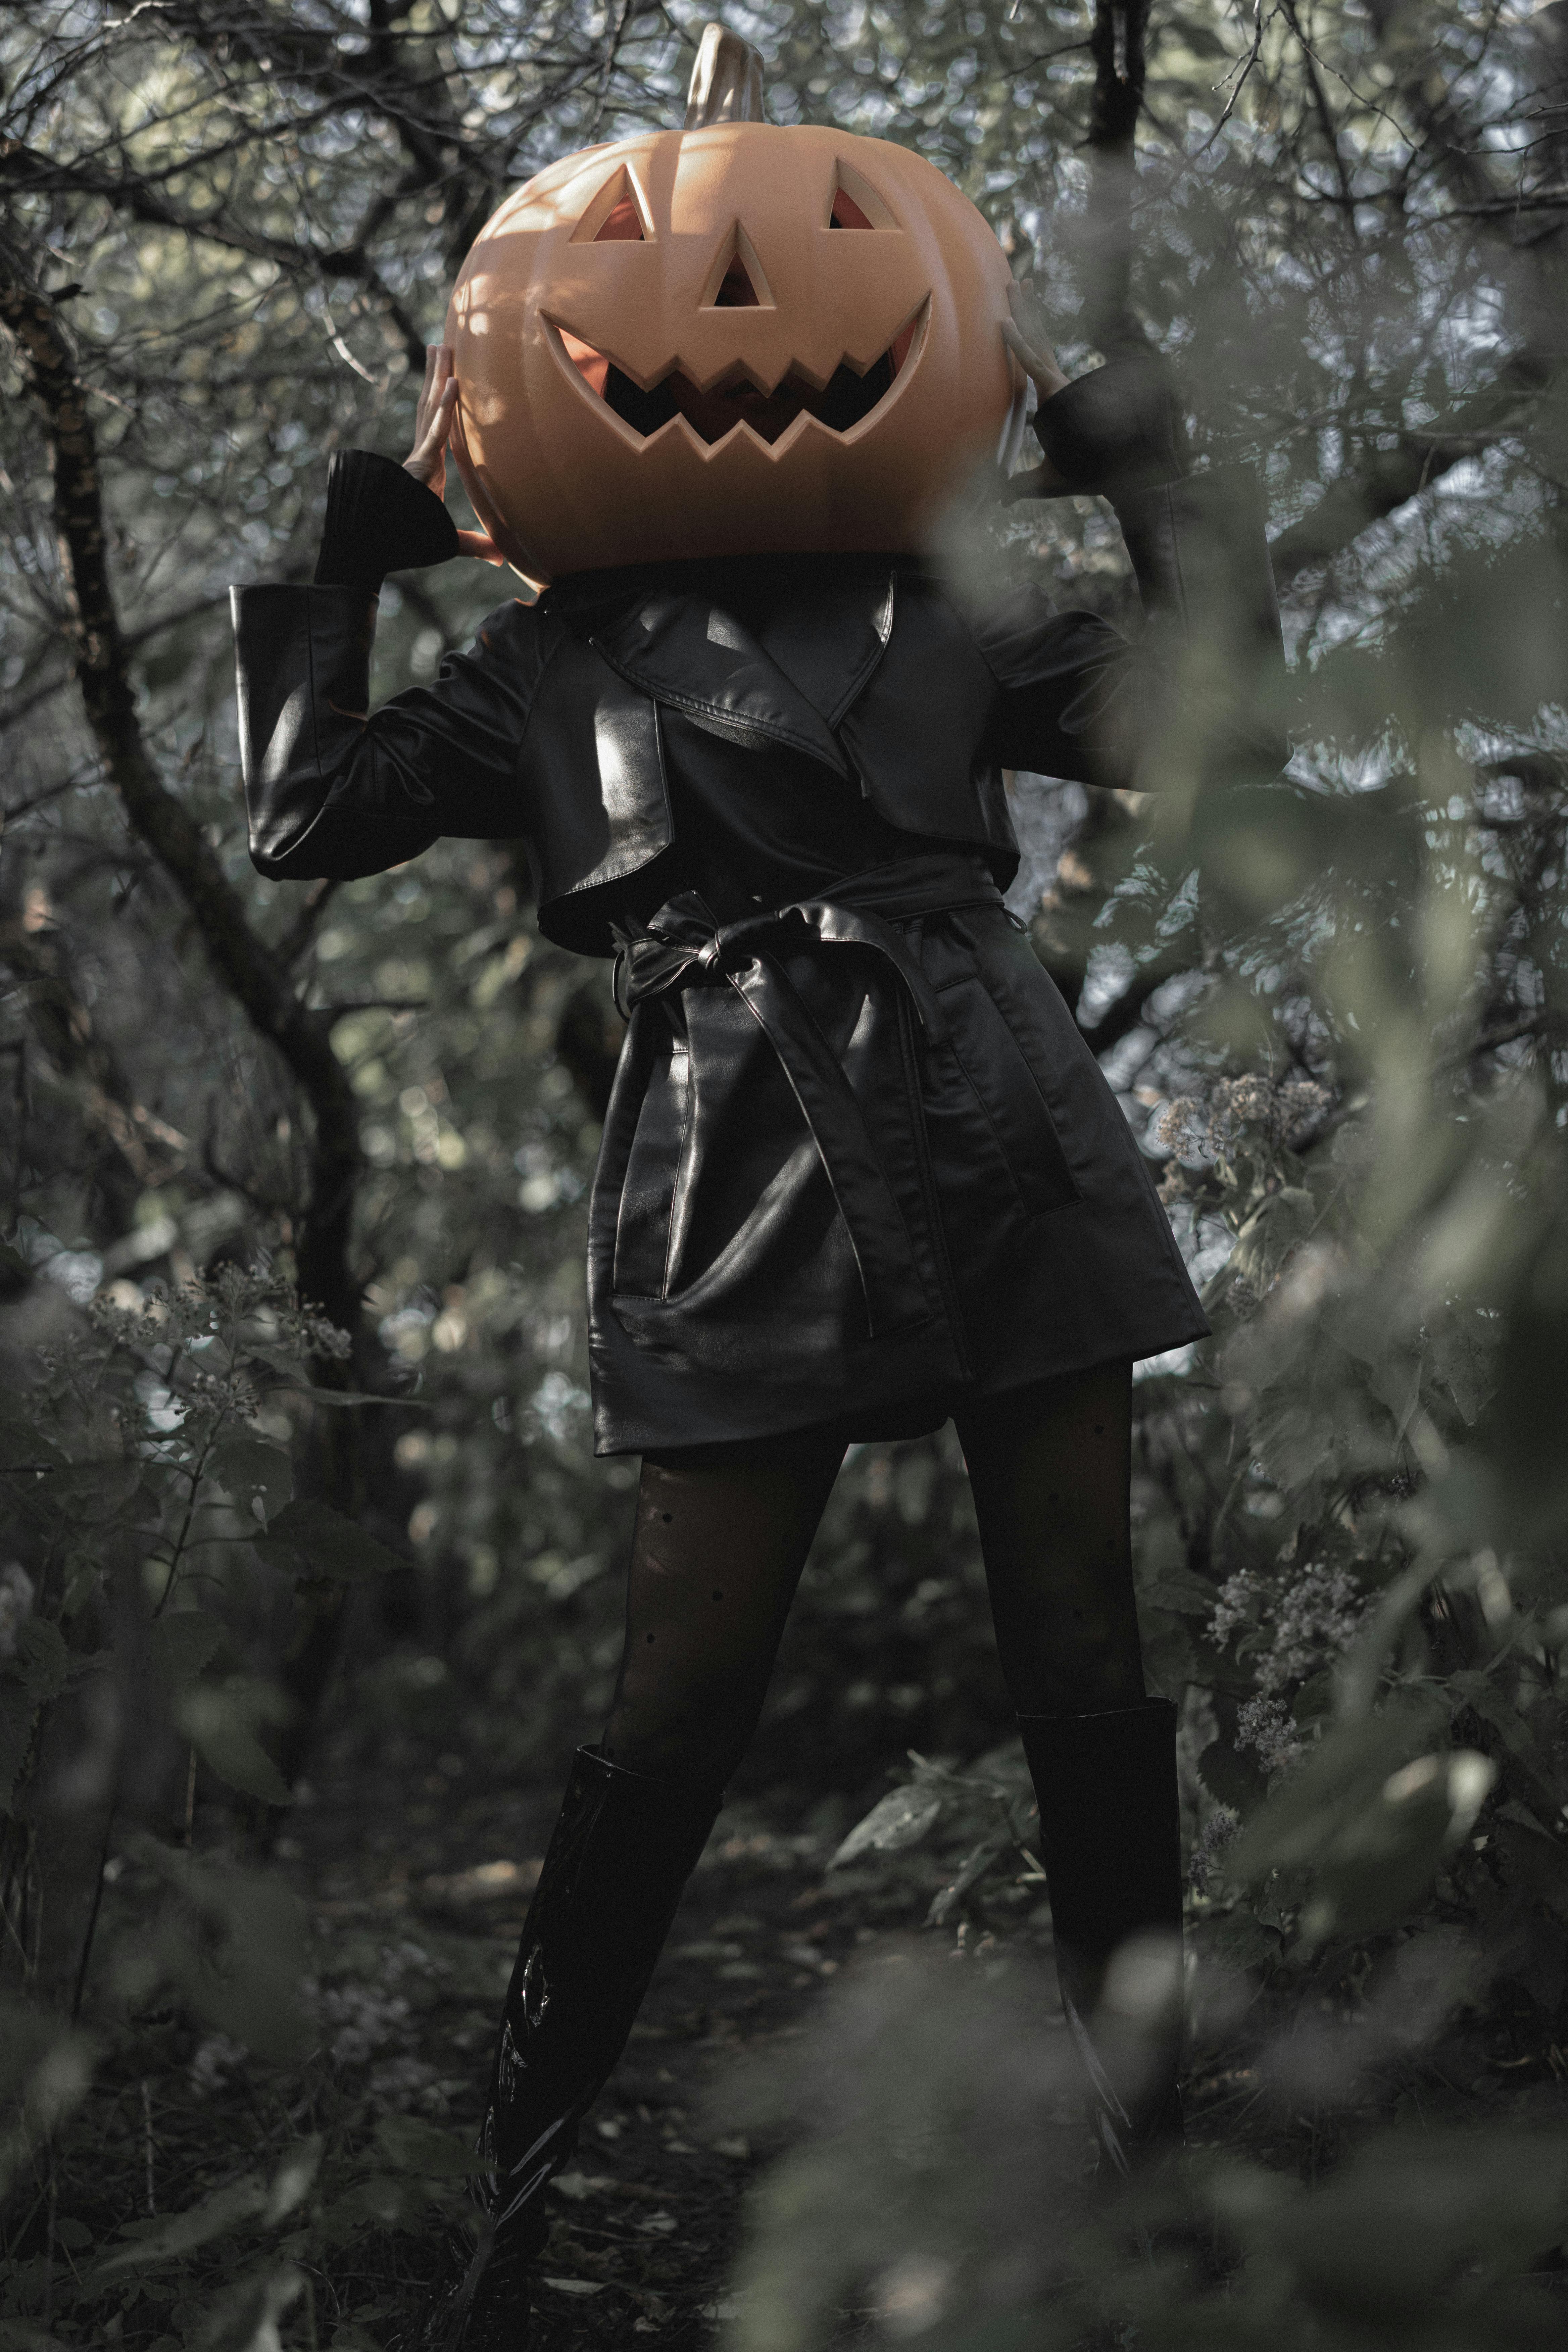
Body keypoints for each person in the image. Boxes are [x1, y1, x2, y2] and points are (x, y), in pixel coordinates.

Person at [230, 41, 1283, 2344]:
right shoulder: (542, 655)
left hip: (1002, 1108)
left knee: (1086, 1662)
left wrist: (1160, 491)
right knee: (679, 1698)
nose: (726, 296)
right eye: (649, 279)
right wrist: (339, 561)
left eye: (804, 258)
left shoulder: (964, 605)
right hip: (733, 1139)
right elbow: (300, 821)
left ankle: (1157, 2168)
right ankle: (518, 2193)